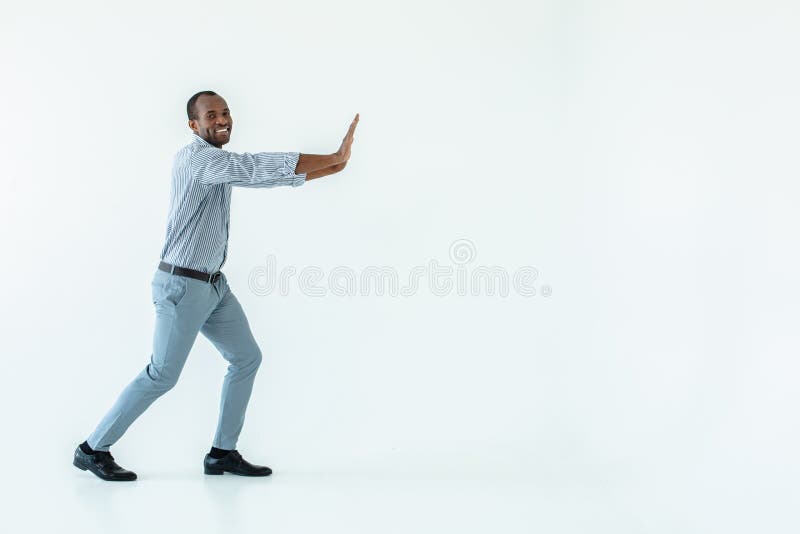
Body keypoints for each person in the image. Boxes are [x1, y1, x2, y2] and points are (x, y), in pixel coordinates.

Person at [73, 90, 359, 481]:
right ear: (194, 125)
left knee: (247, 358)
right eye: (211, 115)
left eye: (225, 112)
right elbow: (254, 168)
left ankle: (222, 453)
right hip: (181, 287)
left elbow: (260, 177)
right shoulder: (199, 159)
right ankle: (92, 448)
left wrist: (334, 166)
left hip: (213, 287)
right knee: (162, 375)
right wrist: (331, 157)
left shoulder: (218, 162)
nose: (222, 119)